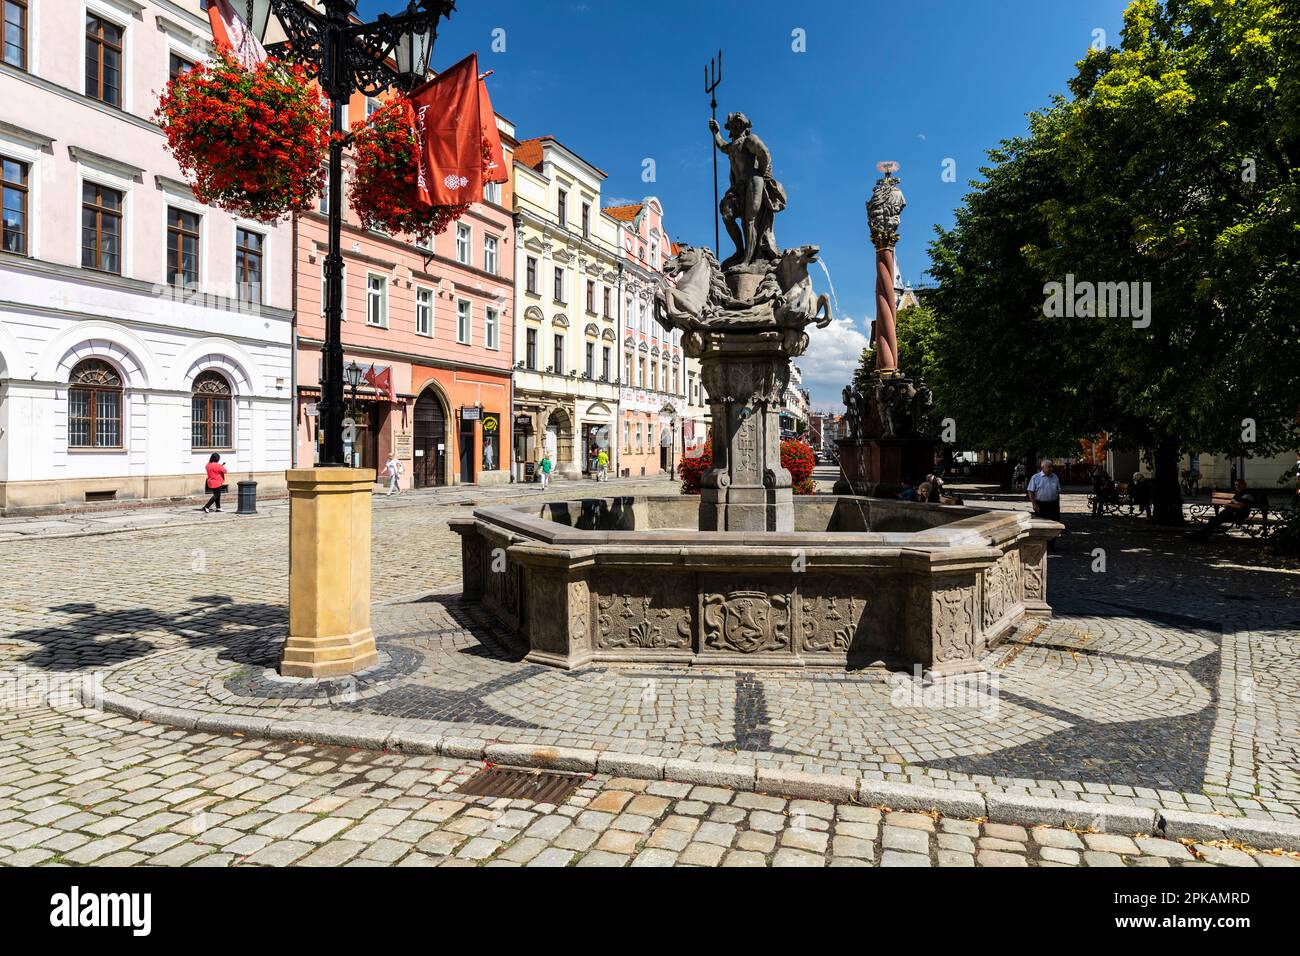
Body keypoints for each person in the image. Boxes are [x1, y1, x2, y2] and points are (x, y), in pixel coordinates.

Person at [1027, 460, 1062, 546]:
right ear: (1042, 468)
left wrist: (1057, 504)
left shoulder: (1055, 477)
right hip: (1041, 504)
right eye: (1048, 467)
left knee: (1054, 524)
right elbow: (1030, 491)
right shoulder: (1036, 477)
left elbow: (1058, 491)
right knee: (1042, 524)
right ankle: (1042, 544)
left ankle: (1051, 545)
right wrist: (1034, 504)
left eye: (1051, 467)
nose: (1050, 469)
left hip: (1053, 504)